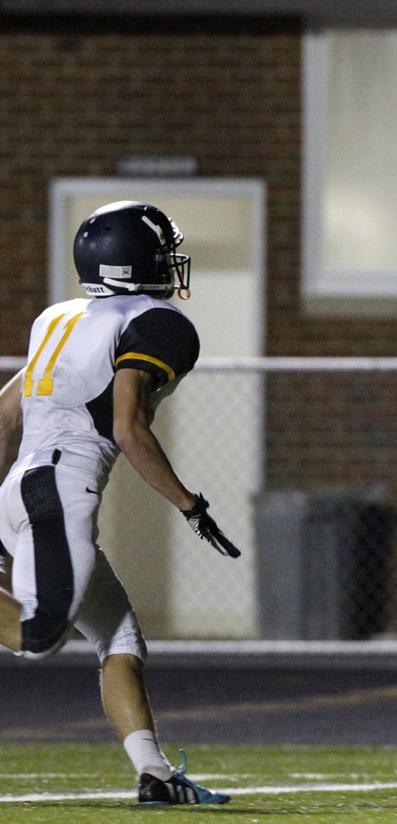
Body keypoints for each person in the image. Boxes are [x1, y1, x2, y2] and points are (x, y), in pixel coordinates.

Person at [0, 201, 240, 804]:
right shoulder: (159, 322)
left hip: (25, 487)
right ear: (137, 262)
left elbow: (7, 412)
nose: (173, 265)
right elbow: (128, 426)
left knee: (121, 640)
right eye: (164, 254)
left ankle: (155, 776)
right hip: (60, 490)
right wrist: (188, 504)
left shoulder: (59, 317)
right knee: (39, 633)